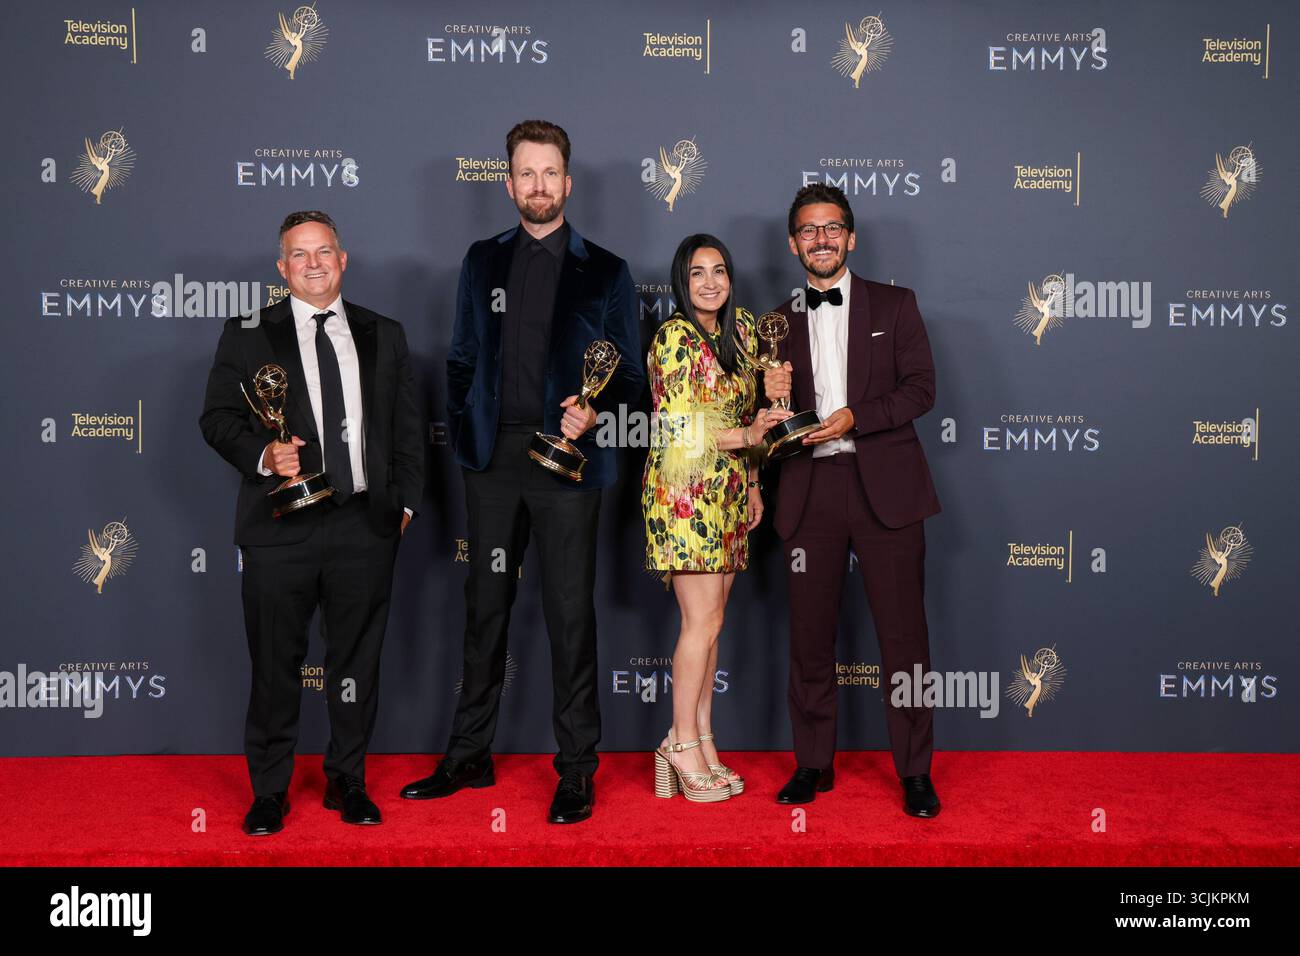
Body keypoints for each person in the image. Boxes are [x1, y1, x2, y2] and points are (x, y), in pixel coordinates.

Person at [401, 120, 644, 824]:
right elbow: (461, 359)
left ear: (568, 183)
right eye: (525, 174)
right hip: (494, 464)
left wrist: (593, 415)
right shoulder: (481, 261)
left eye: (550, 174)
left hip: (567, 466)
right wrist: (470, 433)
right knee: (484, 614)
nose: (538, 186)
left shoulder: (607, 271)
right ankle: (468, 753)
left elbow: (629, 372)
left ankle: (575, 769)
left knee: (570, 617)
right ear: (509, 184)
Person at [200, 210, 424, 835]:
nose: (315, 263)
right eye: (300, 255)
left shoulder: (385, 332)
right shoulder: (246, 334)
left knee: (356, 664)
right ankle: (269, 790)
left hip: (363, 525)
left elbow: (409, 429)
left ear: (343, 259)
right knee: (275, 662)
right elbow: (217, 419)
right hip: (278, 526)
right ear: (282, 268)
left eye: (324, 251)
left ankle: (346, 781)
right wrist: (264, 454)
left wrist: (402, 504)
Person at [763, 184, 944, 817]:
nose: (821, 238)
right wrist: (769, 399)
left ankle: (916, 771)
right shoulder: (774, 324)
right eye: (809, 230)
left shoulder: (896, 305)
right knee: (810, 639)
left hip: (885, 492)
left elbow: (922, 390)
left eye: (832, 227)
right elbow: (764, 422)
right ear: (793, 243)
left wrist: (854, 419)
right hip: (809, 493)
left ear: (852, 237)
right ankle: (812, 762)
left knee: (904, 640)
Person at [643, 235, 791, 803]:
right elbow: (676, 429)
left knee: (715, 623)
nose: (710, 281)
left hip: (728, 488)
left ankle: (699, 735)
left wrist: (754, 477)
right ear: (683, 281)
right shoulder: (674, 338)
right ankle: (680, 742)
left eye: (720, 270)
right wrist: (748, 435)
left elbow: (753, 411)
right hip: (684, 491)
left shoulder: (744, 331)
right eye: (698, 272)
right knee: (699, 623)